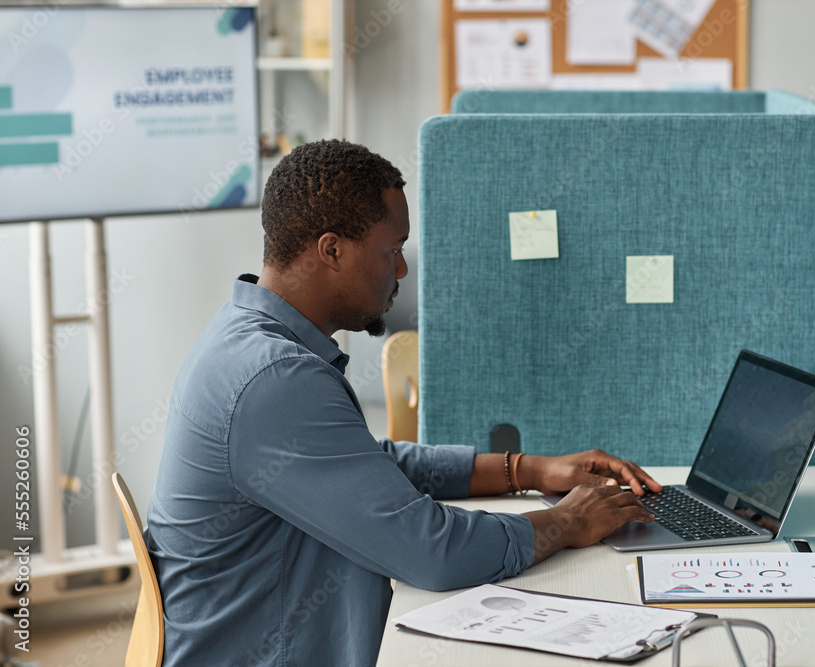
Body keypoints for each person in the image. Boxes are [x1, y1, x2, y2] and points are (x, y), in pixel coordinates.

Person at [145, 139, 662, 667]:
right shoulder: (274, 379)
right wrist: (567, 523)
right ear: (331, 250)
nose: (401, 272)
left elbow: (364, 465)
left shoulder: (245, 337)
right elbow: (431, 551)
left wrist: (527, 469)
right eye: (392, 251)